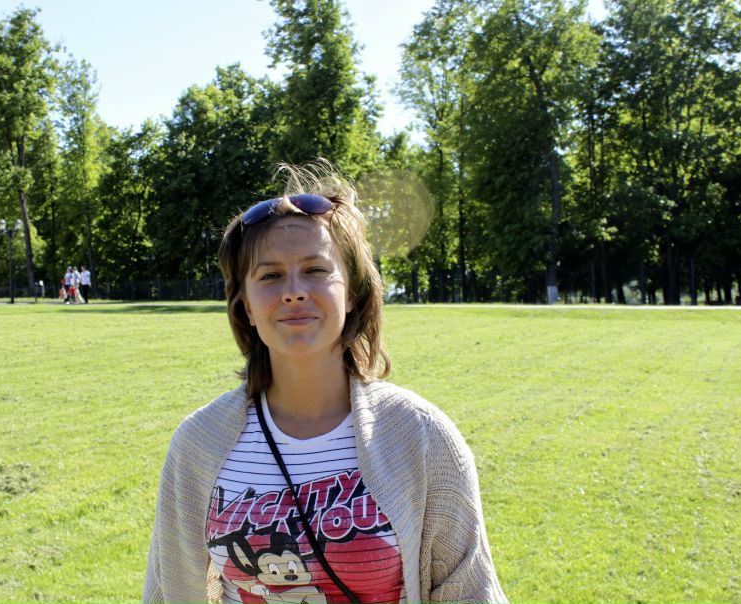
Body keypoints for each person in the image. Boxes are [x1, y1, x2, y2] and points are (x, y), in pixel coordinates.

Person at [142, 161, 508, 604]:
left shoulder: (421, 437)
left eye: (315, 270)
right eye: (270, 275)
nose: (293, 291)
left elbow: (470, 592)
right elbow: (167, 591)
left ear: (352, 292)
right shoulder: (198, 443)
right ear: (246, 307)